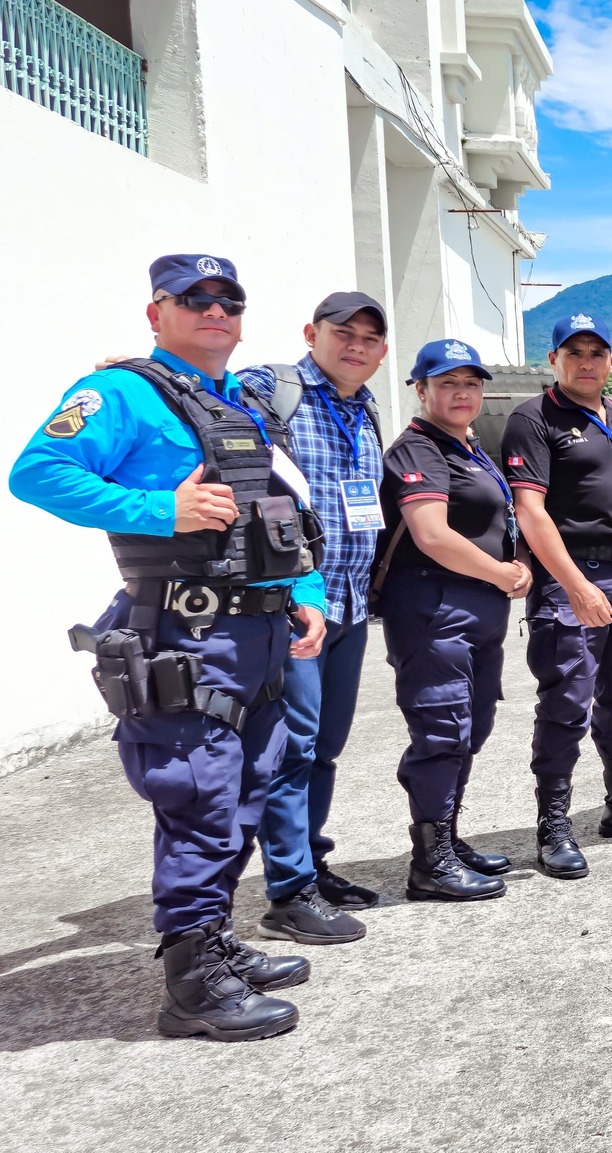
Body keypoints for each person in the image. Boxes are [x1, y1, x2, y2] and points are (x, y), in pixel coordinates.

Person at [12, 254, 328, 1041]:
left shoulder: (241, 403)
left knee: (248, 792)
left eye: (229, 300)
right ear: (157, 313)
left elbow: (276, 513)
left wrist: (304, 595)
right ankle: (192, 986)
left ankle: (215, 941)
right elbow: (37, 472)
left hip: (257, 632)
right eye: (194, 298)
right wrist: (162, 508)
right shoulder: (123, 392)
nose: (215, 310)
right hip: (187, 635)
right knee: (200, 800)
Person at [502, 313, 612, 879]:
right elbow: (530, 511)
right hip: (571, 576)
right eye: (573, 352)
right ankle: (553, 825)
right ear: (553, 360)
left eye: (596, 352)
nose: (586, 362)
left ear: (611, 361)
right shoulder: (533, 419)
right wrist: (575, 586)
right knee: (566, 700)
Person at [237, 292, 390, 944]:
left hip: (349, 605)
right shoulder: (270, 391)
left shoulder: (365, 407)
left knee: (324, 747)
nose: (357, 346)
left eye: (370, 338)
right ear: (311, 333)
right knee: (291, 748)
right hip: (294, 606)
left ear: (383, 351)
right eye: (343, 332)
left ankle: (312, 863)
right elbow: (217, 421)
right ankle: (288, 891)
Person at [379, 341, 530, 900]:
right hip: (434, 604)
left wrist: (514, 567)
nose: (462, 393)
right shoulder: (417, 450)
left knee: (473, 724)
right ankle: (431, 861)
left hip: (479, 605)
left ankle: (448, 836)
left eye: (470, 383)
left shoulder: (467, 447)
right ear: (421, 391)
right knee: (441, 728)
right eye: (447, 383)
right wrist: (500, 572)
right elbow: (432, 535)